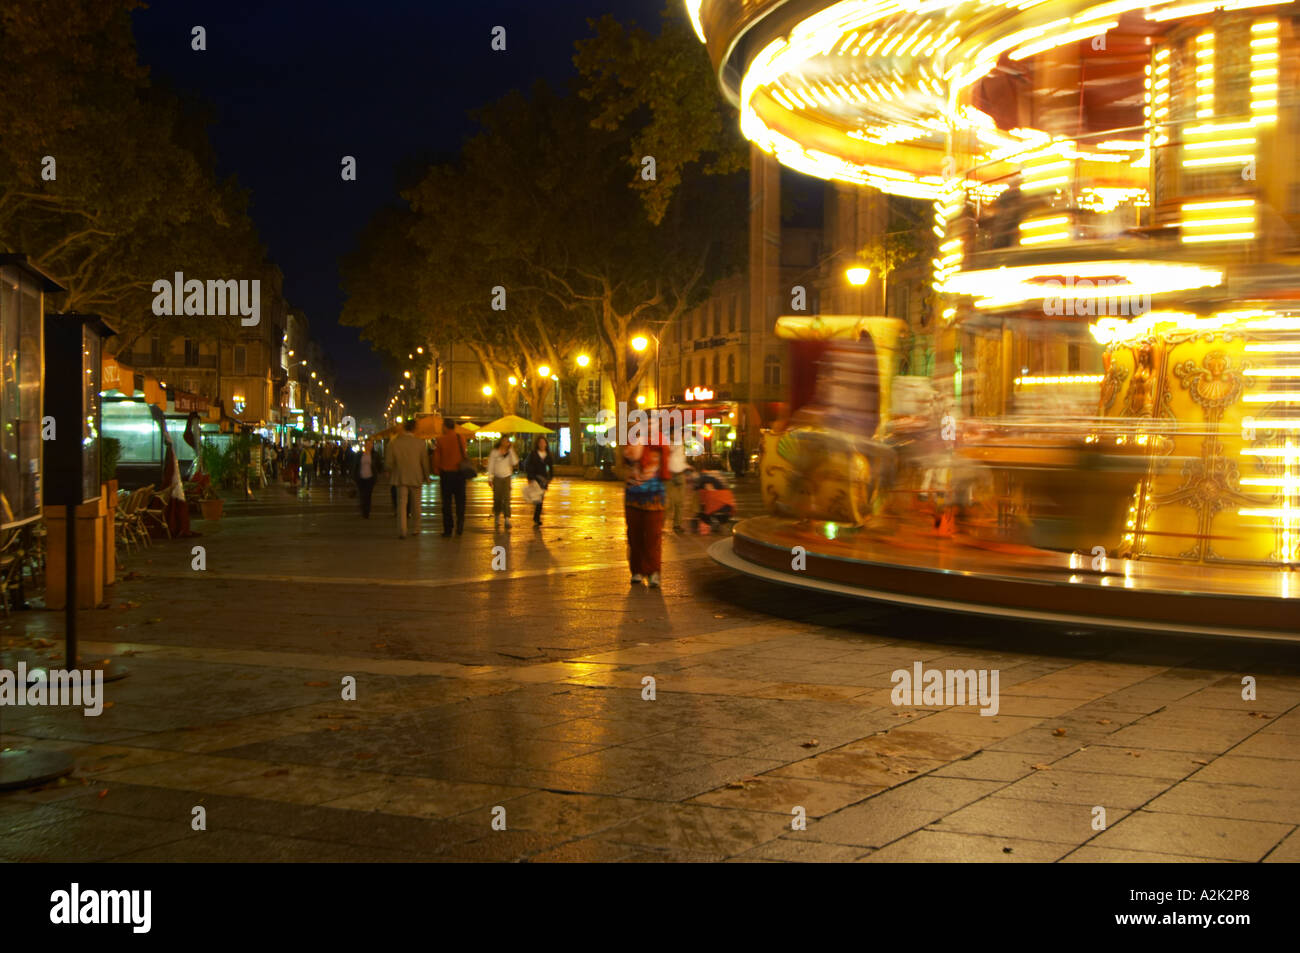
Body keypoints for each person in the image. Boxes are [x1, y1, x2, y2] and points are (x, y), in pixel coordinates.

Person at [623, 437, 671, 587]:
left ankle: (653, 572)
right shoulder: (633, 443)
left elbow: (672, 468)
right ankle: (637, 570)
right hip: (634, 496)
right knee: (634, 535)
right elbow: (625, 461)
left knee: (653, 536)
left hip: (655, 497)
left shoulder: (664, 445)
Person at [387, 418, 429, 538]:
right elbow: (424, 462)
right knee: (416, 505)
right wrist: (427, 476)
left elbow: (389, 462)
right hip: (416, 476)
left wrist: (389, 470)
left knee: (401, 505)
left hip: (400, 476)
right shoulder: (420, 443)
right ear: (414, 429)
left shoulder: (394, 443)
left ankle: (402, 530)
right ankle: (416, 528)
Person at [431, 418, 470, 536]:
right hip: (459, 474)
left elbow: (436, 457)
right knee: (460, 502)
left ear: (445, 427)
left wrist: (436, 469)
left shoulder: (440, 440)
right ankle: (460, 525)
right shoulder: (461, 438)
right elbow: (464, 452)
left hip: (446, 474)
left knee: (447, 503)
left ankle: (448, 529)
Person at [487, 436, 519, 530]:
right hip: (497, 477)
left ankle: (507, 519)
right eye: (504, 440)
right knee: (497, 498)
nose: (506, 442)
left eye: (508, 441)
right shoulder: (494, 452)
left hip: (507, 477)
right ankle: (497, 516)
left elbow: (515, 462)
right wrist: (489, 477)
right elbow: (490, 465)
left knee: (507, 499)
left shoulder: (510, 452)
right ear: (501, 441)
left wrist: (511, 450)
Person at [524, 435, 554, 527]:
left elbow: (551, 468)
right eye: (540, 442)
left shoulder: (548, 455)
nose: (542, 444)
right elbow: (528, 465)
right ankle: (536, 517)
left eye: (543, 442)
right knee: (538, 499)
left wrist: (550, 478)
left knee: (541, 498)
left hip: (543, 479)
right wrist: (529, 477)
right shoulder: (533, 454)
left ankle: (536, 517)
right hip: (535, 478)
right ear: (537, 444)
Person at [665, 426, 690, 535]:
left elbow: (681, 459)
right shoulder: (667, 444)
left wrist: (687, 466)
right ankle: (660, 524)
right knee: (668, 502)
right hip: (670, 475)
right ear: (670, 434)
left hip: (680, 475)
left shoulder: (681, 445)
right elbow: (670, 450)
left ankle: (677, 525)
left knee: (680, 502)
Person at [354, 438, 381, 518]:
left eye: (370, 444)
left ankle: (367, 511)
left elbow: (378, 466)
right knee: (362, 495)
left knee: (368, 495)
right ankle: (363, 509)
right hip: (361, 478)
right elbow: (355, 466)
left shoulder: (374, 455)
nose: (369, 446)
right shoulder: (359, 454)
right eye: (367, 444)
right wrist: (354, 476)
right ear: (364, 445)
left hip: (370, 478)